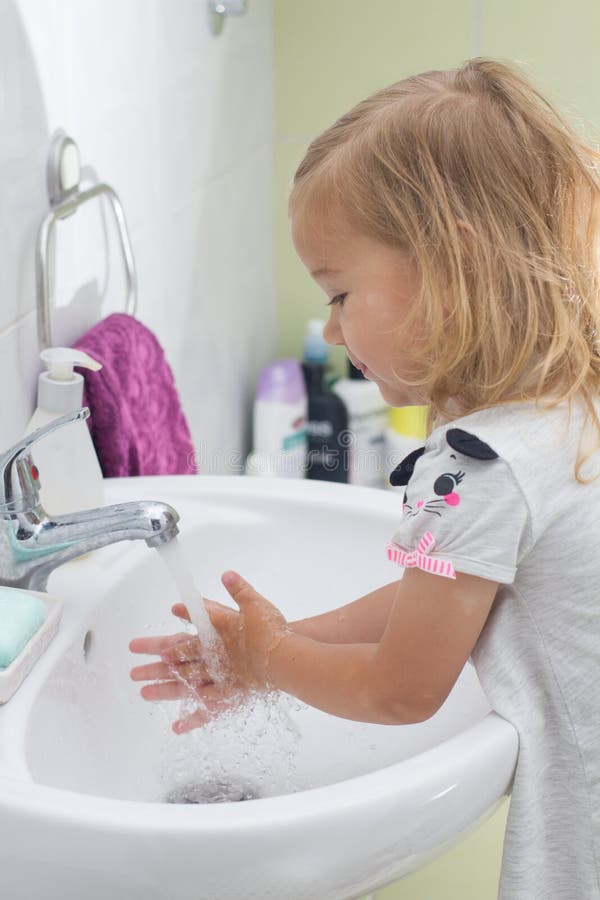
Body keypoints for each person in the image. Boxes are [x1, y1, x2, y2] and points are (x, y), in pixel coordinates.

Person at [130, 58, 600, 898]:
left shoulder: (475, 469)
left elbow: (400, 692)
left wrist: (271, 655)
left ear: (448, 270)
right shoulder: (569, 408)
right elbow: (454, 587)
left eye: (341, 293)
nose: (332, 327)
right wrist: (276, 643)